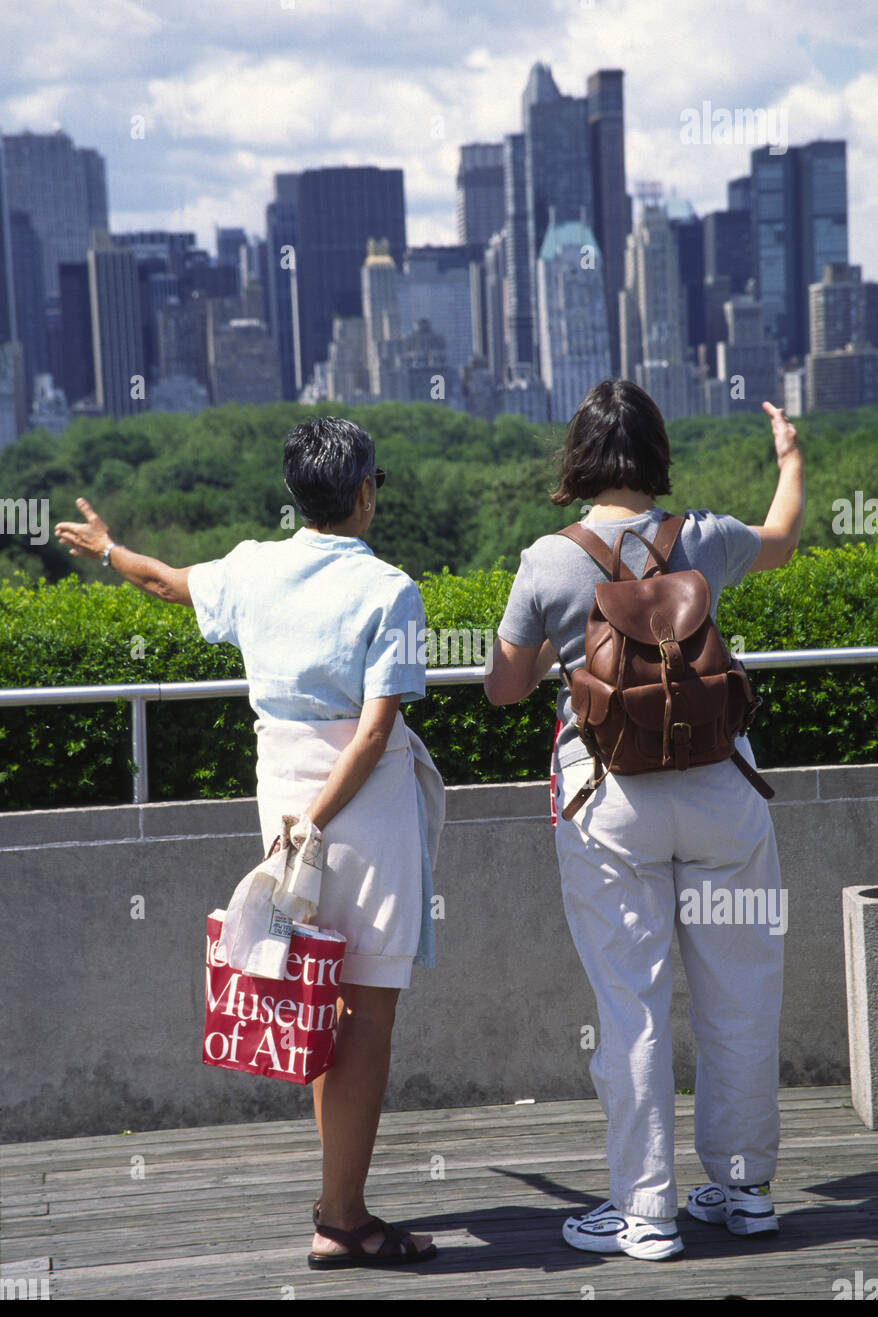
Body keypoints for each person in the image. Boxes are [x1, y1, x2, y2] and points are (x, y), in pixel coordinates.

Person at [54, 416, 444, 1270]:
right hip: (362, 811)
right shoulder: (391, 590)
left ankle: (338, 1204)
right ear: (366, 492)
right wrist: (326, 814)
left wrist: (109, 547)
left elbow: (164, 584)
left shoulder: (252, 567)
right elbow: (375, 735)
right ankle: (343, 1216)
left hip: (281, 799)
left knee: (310, 988)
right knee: (366, 1007)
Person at [485, 379, 804, 1261]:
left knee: (633, 1009)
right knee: (741, 996)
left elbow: (506, 690)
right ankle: (745, 1191)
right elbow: (781, 540)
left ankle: (645, 1210)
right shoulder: (701, 537)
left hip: (610, 808)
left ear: (577, 459)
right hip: (724, 802)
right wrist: (790, 458)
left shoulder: (549, 560)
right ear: (657, 454)